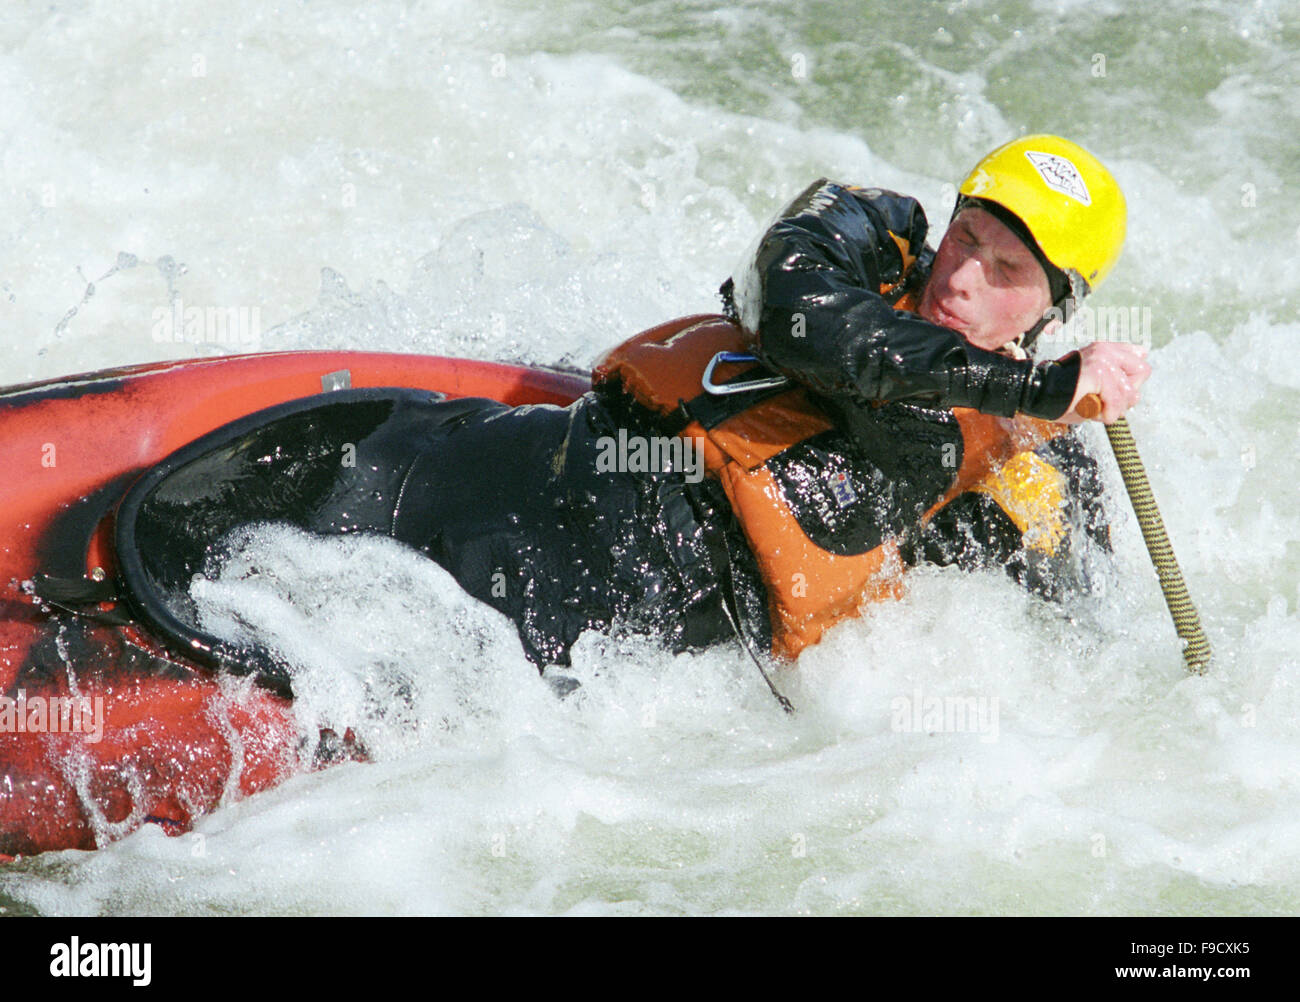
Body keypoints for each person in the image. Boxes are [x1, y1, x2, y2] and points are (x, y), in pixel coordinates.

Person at [134, 134, 1151, 685]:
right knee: (247, 515)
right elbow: (798, 318)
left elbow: (1079, 660)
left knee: (327, 644)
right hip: (564, 461)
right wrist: (1035, 386)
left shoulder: (1028, 467)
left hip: (640, 609)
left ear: (1056, 308)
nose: (963, 275)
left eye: (1006, 269)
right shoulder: (863, 229)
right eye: (968, 237)